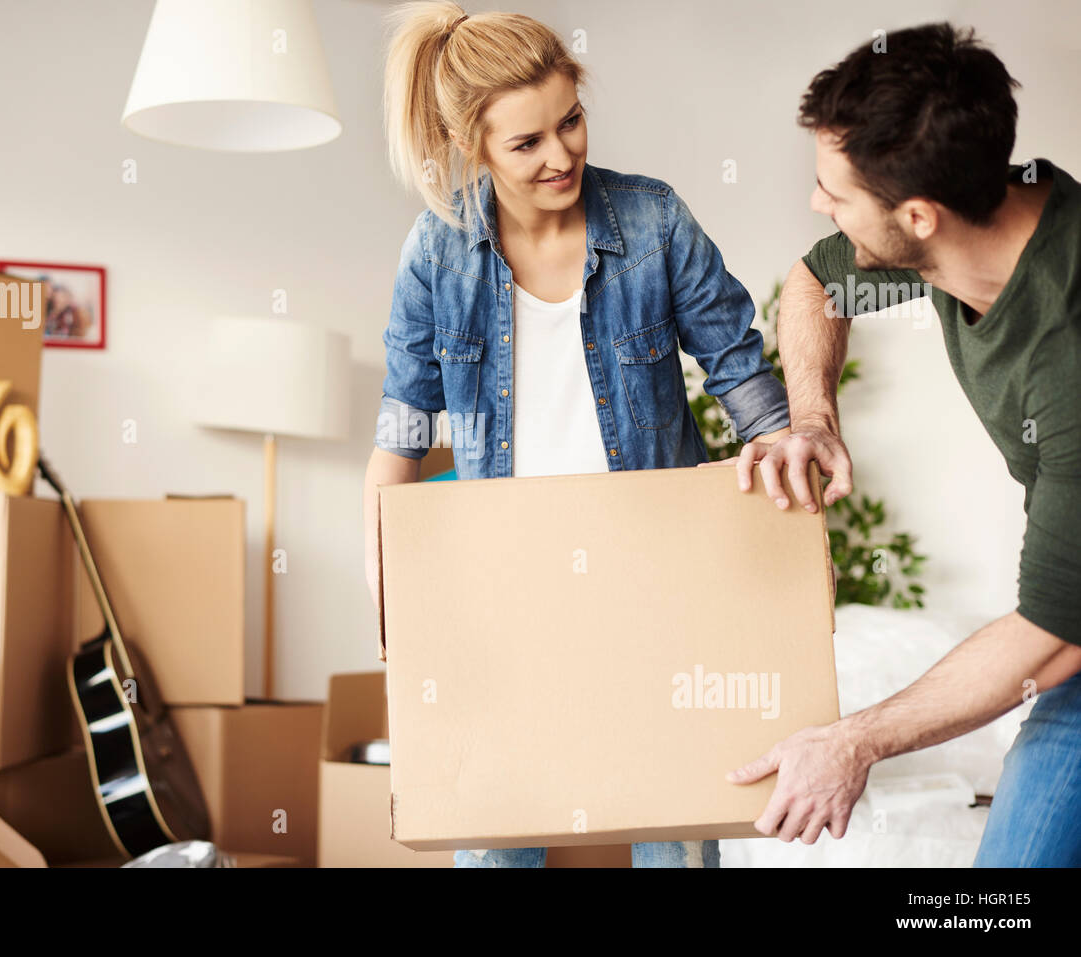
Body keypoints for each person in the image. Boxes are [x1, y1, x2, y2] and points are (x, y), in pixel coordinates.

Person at [364, 1, 793, 868]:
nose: (561, 155)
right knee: (495, 845)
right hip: (503, 588)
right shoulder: (437, 253)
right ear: (472, 146)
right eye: (526, 142)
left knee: (676, 838)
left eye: (571, 121)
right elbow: (401, 435)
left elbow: (742, 374)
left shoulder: (654, 222)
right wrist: (388, 605)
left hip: (658, 577)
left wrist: (790, 473)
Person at [724, 22, 1081, 866]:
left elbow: (1055, 633)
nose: (820, 205)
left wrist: (852, 741)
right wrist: (813, 417)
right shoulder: (979, 214)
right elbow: (816, 283)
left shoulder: (1067, 354)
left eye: (834, 193)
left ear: (918, 217)